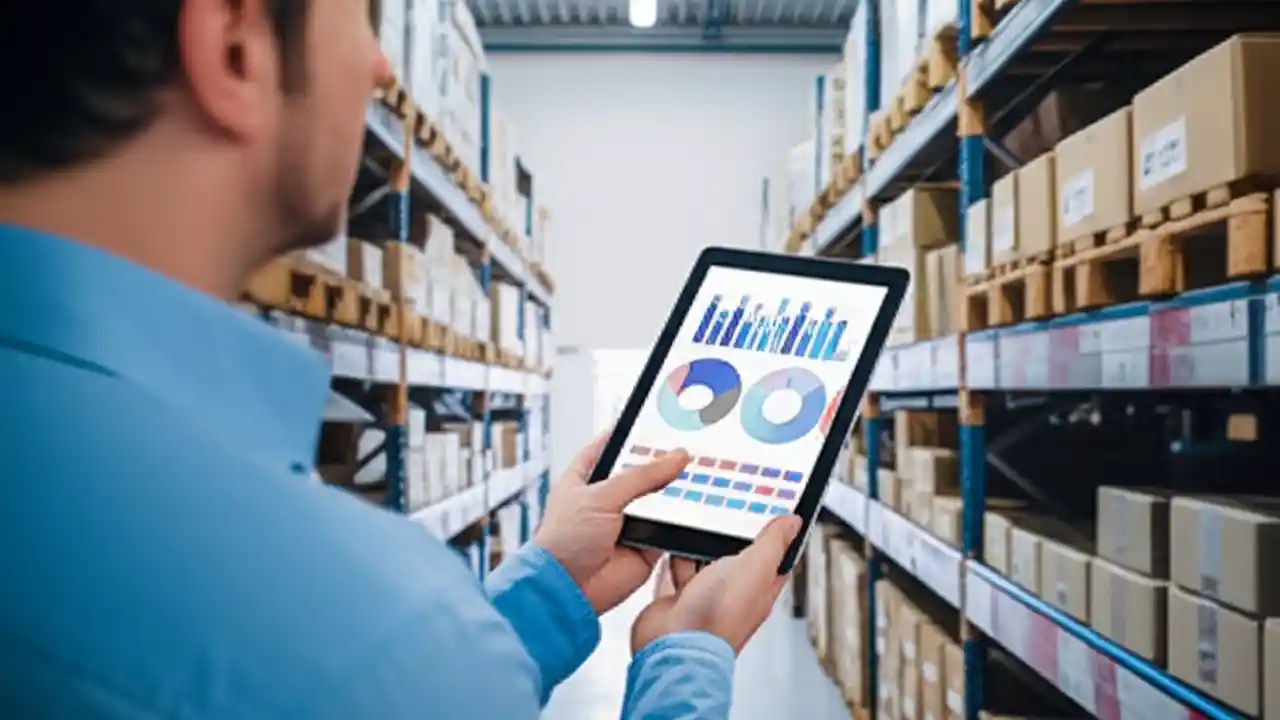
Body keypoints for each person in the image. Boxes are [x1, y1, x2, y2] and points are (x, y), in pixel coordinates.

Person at [0, 2, 801, 718]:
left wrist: (548, 589)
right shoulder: (363, 635)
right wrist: (687, 657)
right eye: (364, 17)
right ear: (237, 46)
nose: (382, 67)